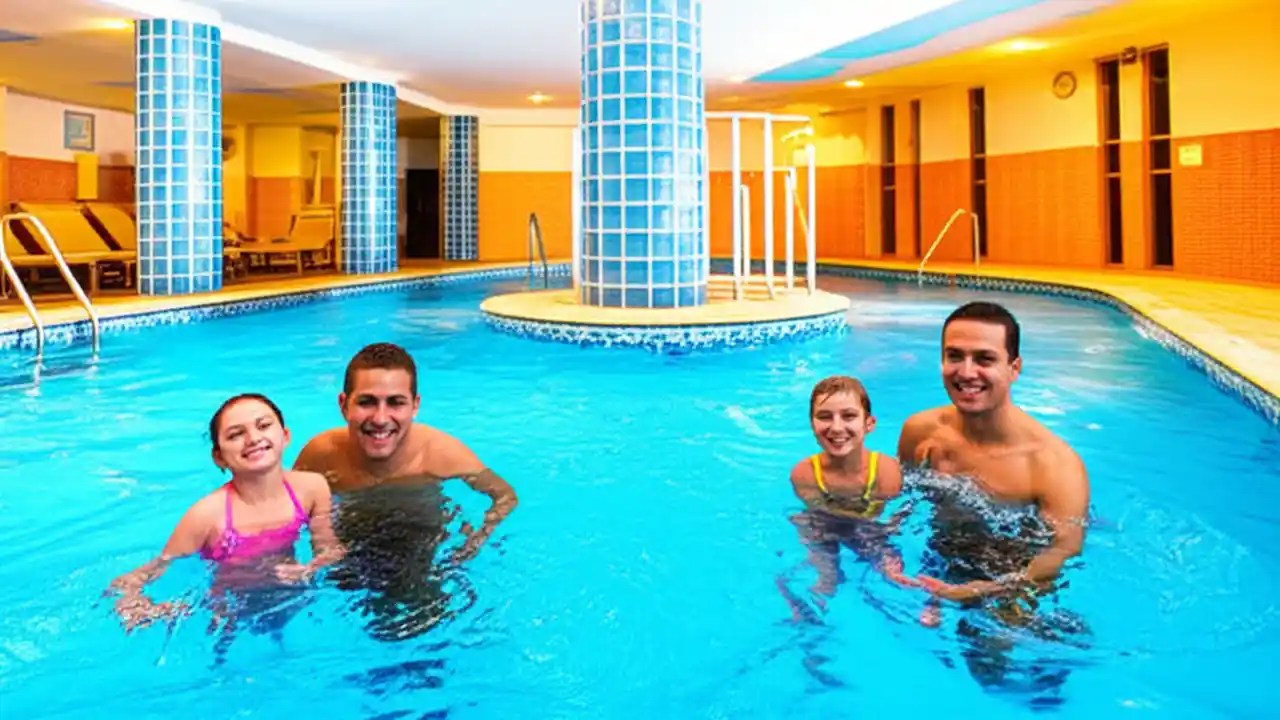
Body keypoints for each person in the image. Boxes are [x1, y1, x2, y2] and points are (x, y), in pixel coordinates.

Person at [896, 300, 1091, 703]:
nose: (966, 373)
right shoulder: (920, 432)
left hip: (1012, 571)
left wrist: (983, 591)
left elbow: (1063, 551)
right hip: (942, 556)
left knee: (989, 669)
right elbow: (908, 499)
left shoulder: (1053, 464)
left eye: (984, 359)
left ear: (1013, 368)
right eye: (954, 356)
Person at [292, 342, 517, 640]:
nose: (381, 418)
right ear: (344, 405)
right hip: (350, 538)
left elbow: (504, 496)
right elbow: (288, 507)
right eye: (367, 402)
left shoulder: (441, 454)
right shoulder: (321, 453)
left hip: (419, 535)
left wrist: (476, 538)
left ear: (415, 405)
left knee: (423, 613)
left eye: (395, 402)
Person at [109, 393, 344, 634]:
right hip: (229, 613)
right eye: (235, 435)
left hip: (292, 596)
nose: (253, 438)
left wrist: (309, 570)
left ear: (285, 436)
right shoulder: (207, 516)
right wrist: (135, 605)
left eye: (263, 426)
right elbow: (140, 576)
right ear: (219, 457)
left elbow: (330, 551)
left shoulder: (311, 488)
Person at [783, 375, 913, 612]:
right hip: (825, 527)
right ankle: (812, 610)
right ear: (812, 424)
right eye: (824, 417)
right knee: (823, 583)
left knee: (894, 575)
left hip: (872, 528)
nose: (836, 427)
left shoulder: (886, 473)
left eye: (849, 416)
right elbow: (817, 521)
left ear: (869, 424)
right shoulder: (805, 475)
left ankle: (928, 604)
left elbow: (897, 516)